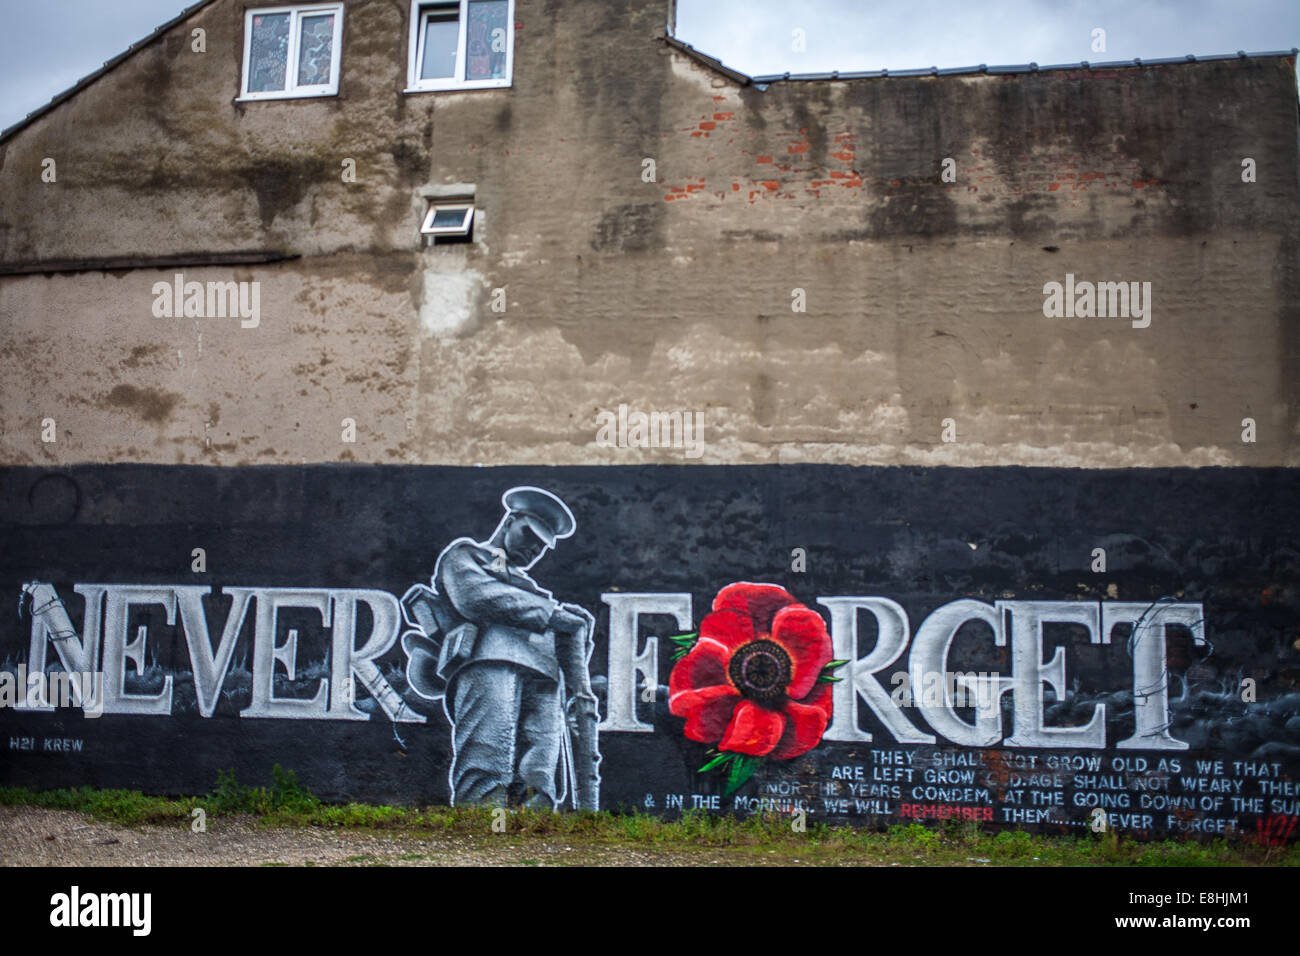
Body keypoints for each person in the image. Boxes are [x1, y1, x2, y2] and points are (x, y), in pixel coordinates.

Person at [429, 486, 595, 809]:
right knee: (488, 759)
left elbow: (569, 655)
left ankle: (532, 843)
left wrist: (576, 631)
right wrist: (552, 614)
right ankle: (482, 841)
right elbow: (475, 596)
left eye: (542, 546)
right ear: (510, 520)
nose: (534, 549)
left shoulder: (535, 591)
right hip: (491, 662)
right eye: (528, 535)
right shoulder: (465, 555)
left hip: (545, 677)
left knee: (540, 777)